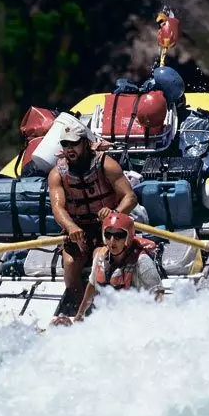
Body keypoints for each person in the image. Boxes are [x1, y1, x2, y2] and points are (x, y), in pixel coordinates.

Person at [48, 123, 138, 310]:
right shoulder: (57, 174)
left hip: (108, 228)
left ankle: (110, 308)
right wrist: (71, 227)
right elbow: (58, 208)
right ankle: (82, 309)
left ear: (86, 143)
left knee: (100, 258)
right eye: (65, 144)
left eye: (73, 144)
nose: (69, 149)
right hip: (79, 230)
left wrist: (114, 215)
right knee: (70, 264)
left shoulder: (107, 165)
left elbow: (130, 197)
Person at [51, 212, 164, 326]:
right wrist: (79, 316)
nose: (112, 241)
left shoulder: (142, 262)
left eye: (119, 235)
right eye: (108, 234)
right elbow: (91, 286)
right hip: (108, 320)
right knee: (58, 325)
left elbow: (159, 298)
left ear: (128, 237)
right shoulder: (100, 257)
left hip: (134, 321)